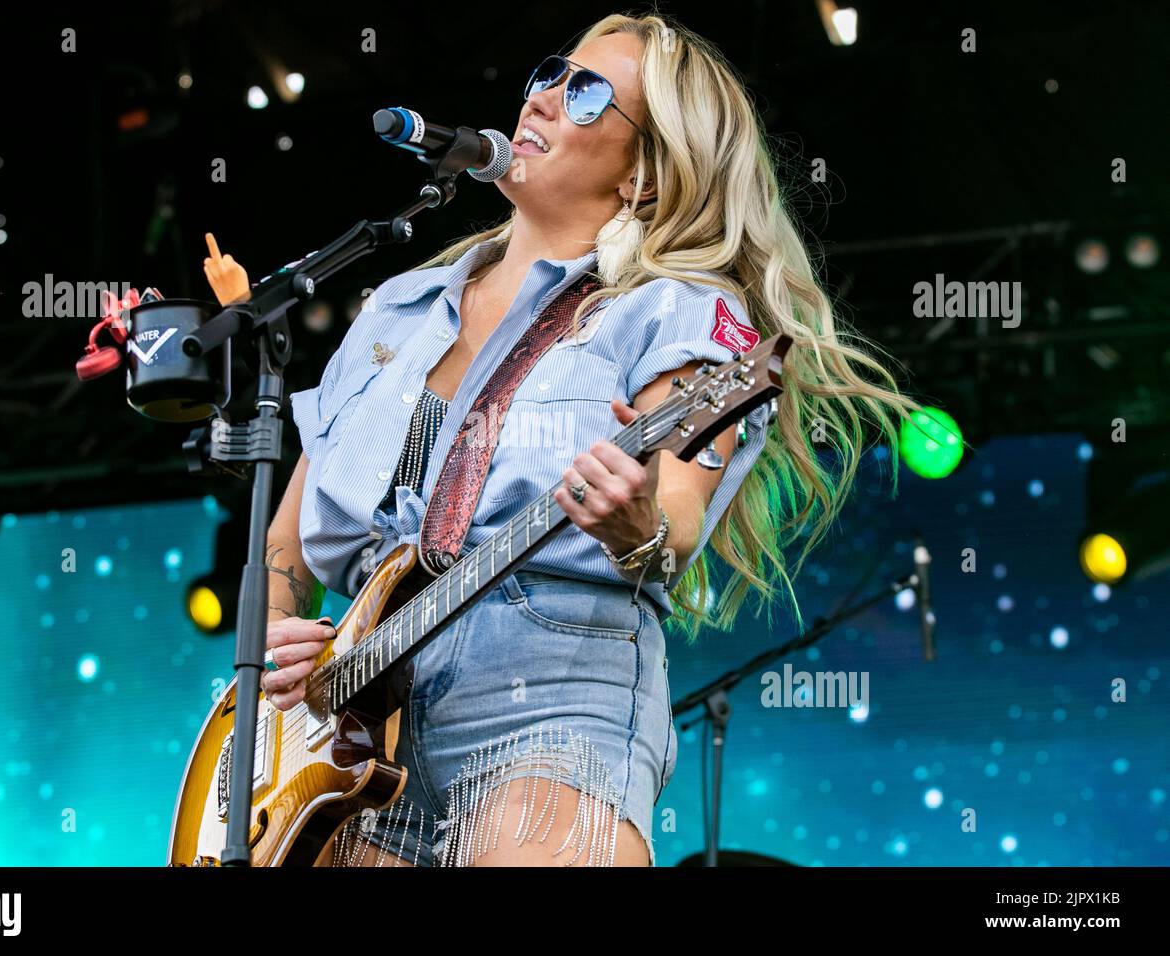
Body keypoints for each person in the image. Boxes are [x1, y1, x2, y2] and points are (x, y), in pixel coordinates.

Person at [202, 11, 917, 867]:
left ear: (644, 177)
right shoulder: (394, 307)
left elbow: (674, 526)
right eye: (550, 73)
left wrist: (637, 522)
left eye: (586, 95)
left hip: (547, 702)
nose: (542, 97)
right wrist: (278, 674)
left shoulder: (684, 312)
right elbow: (286, 543)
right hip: (348, 738)